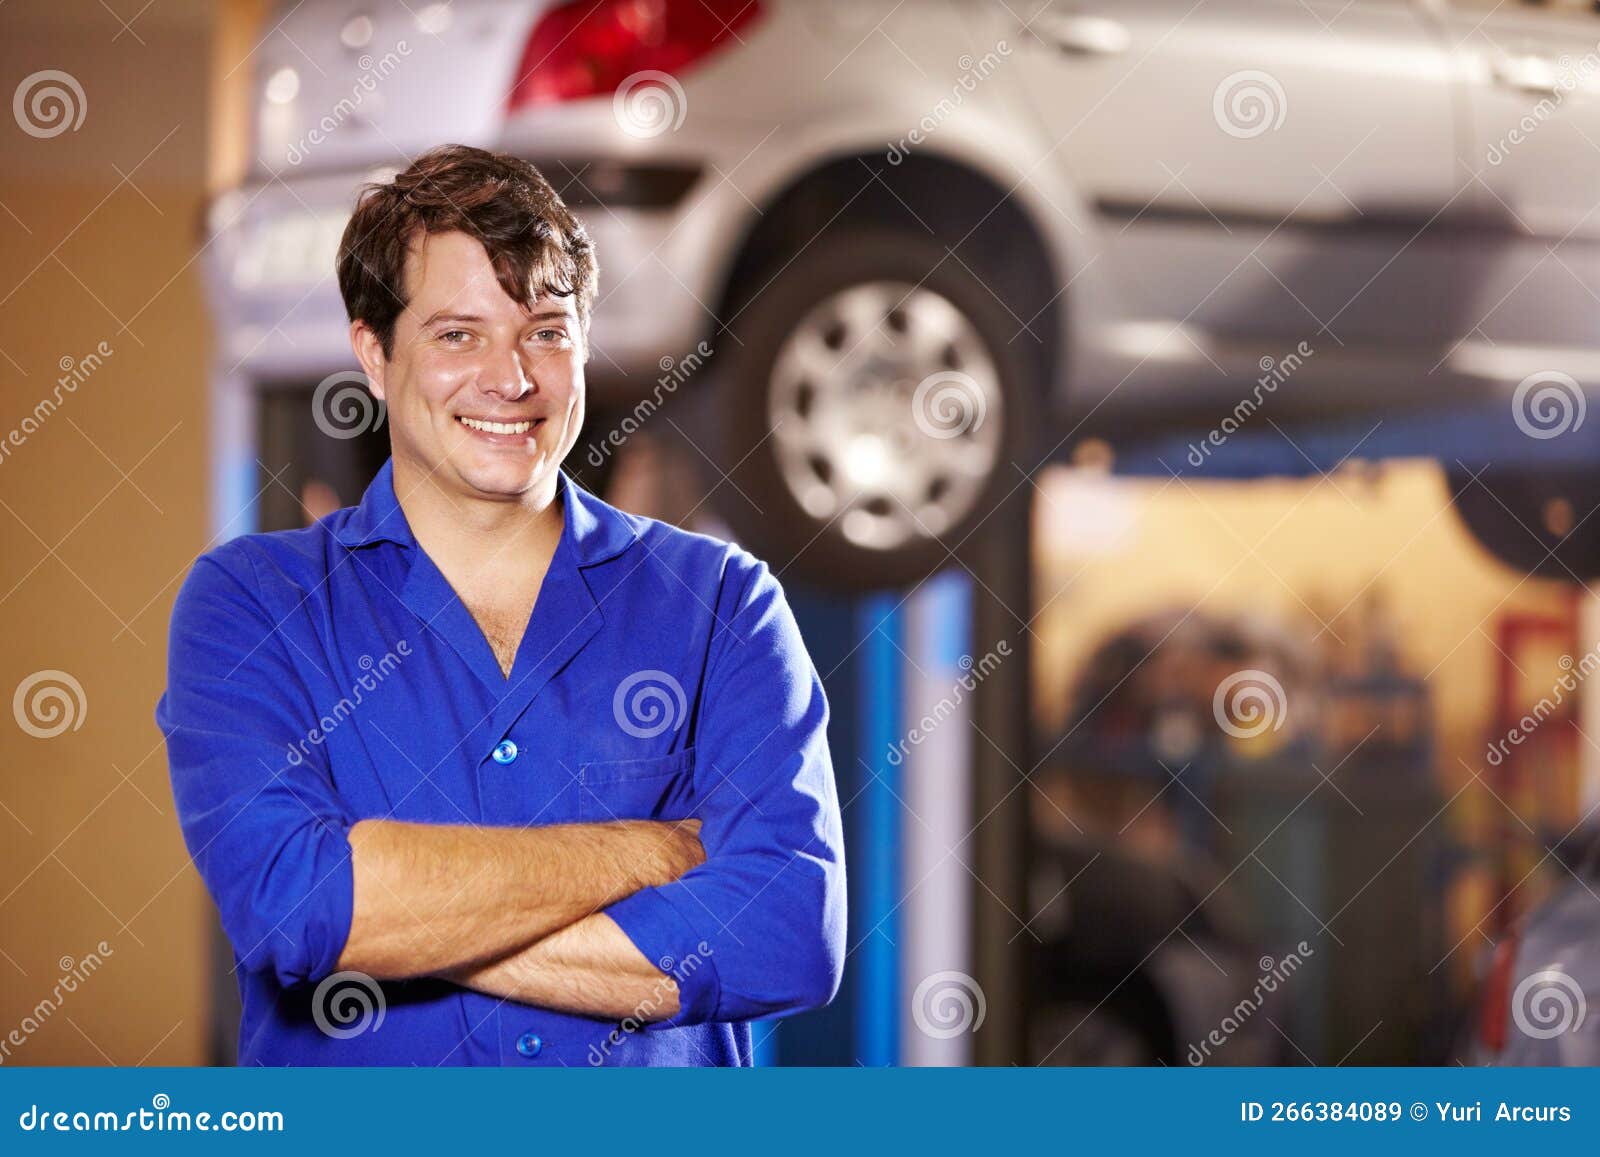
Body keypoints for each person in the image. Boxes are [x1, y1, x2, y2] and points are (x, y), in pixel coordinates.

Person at [155, 144, 846, 1066]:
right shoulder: (252, 605)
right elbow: (299, 906)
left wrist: (406, 920)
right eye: (457, 333)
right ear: (374, 351)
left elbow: (787, 934)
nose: (511, 378)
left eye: (547, 330)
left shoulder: (723, 603)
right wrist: (651, 853)